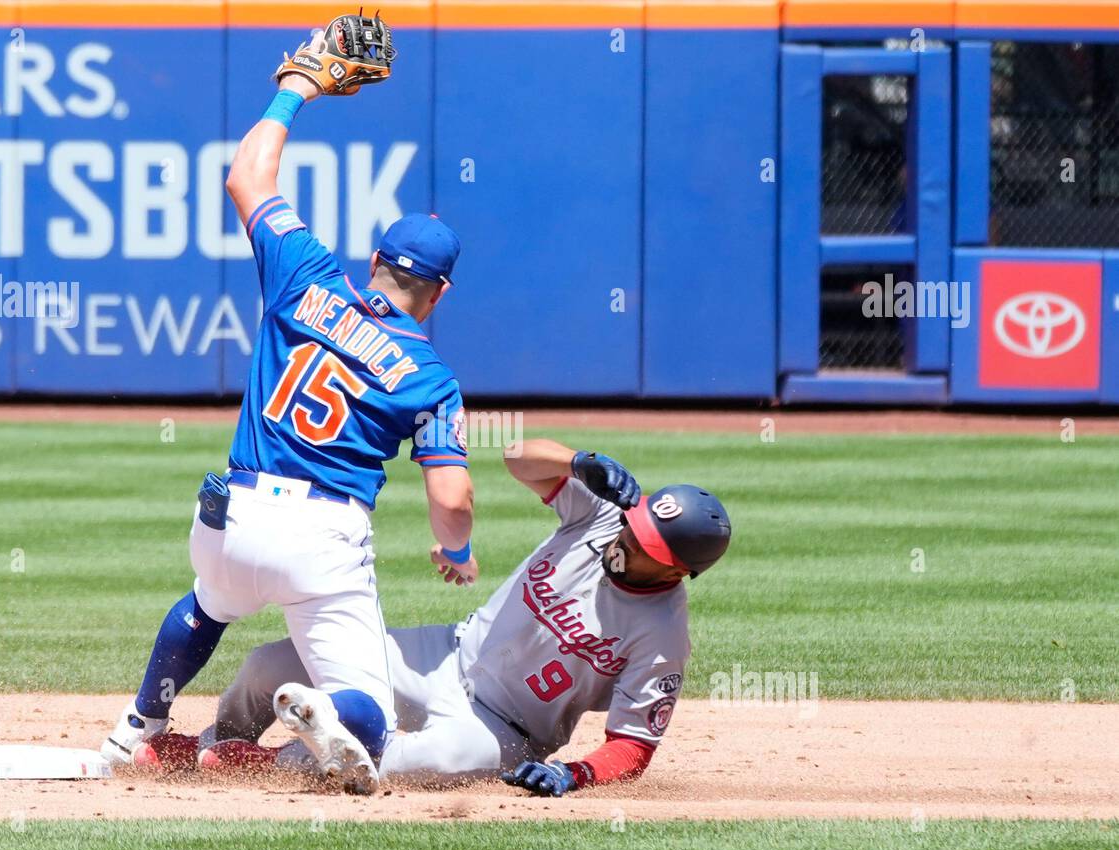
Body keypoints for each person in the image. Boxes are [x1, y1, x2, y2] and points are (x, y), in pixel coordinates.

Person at [101, 21, 474, 796]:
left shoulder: (308, 274)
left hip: (233, 515)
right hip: (323, 543)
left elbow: (247, 177)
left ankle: (139, 731)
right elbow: (451, 501)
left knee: (205, 608)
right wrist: (457, 550)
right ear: (438, 295)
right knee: (372, 712)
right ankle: (322, 712)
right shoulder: (431, 377)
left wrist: (297, 88)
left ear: (374, 259)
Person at [134, 438, 732, 797]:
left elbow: (632, 747)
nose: (627, 540)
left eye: (647, 546)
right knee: (269, 664)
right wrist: (579, 461)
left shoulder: (661, 637)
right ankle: (223, 744)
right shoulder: (601, 517)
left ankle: (262, 766)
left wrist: (574, 775)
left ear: (677, 571)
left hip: (503, 730)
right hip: (444, 654)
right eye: (636, 525)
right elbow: (516, 457)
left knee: (422, 759)